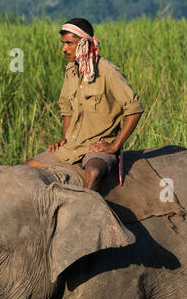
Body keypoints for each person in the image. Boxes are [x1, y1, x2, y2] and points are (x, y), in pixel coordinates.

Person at [26, 18, 143, 191]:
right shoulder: (71, 70)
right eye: (63, 43)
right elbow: (67, 110)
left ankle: (87, 214)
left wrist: (114, 145)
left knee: (93, 172)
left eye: (69, 43)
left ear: (84, 44)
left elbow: (135, 109)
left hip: (97, 146)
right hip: (72, 146)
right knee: (24, 169)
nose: (64, 49)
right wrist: (64, 139)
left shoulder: (108, 72)